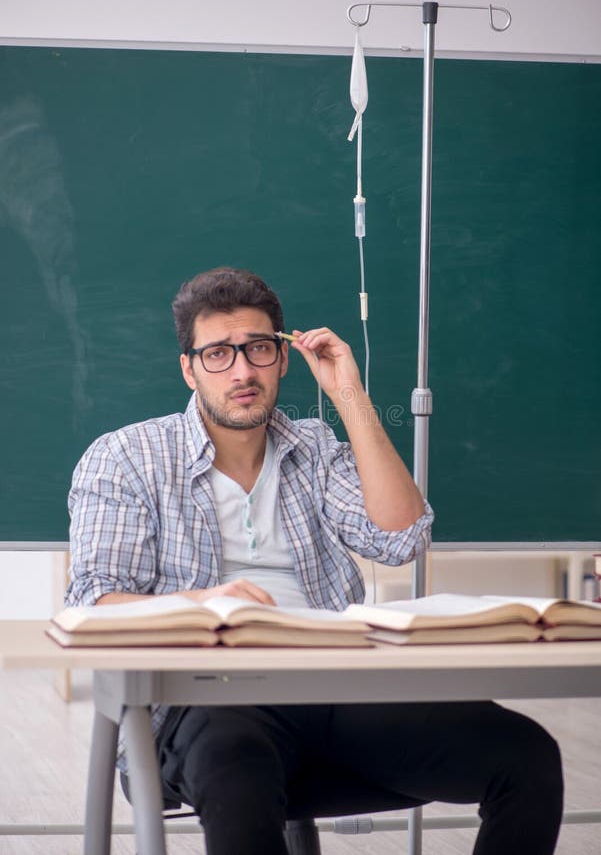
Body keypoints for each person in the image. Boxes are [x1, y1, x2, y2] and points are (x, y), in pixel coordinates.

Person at [66, 267, 563, 855]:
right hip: (201, 697)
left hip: (335, 685)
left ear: (282, 357)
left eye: (258, 349)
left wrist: (348, 396)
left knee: (526, 754)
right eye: (219, 354)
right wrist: (201, 603)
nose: (243, 371)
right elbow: (92, 600)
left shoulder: (315, 448)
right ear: (189, 369)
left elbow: (401, 538)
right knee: (236, 763)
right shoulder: (125, 457)